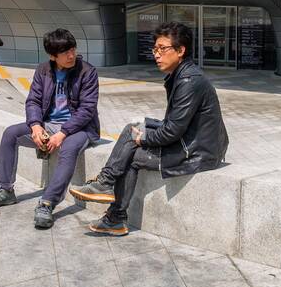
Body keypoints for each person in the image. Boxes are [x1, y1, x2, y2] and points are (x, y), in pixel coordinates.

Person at [70, 21, 228, 236]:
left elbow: (172, 132)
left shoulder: (190, 81)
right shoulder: (181, 75)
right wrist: (142, 133)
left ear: (181, 50)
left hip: (197, 152)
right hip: (191, 142)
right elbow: (175, 124)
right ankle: (105, 186)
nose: (157, 54)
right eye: (155, 49)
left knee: (133, 154)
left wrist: (143, 140)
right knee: (132, 128)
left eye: (163, 49)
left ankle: (113, 208)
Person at [0, 28, 99, 230]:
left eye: (73, 50)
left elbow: (87, 110)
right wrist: (35, 125)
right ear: (52, 56)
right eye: (65, 52)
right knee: (10, 134)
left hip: (80, 128)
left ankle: (47, 203)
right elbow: (33, 100)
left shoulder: (87, 71)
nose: (71, 55)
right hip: (47, 123)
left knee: (68, 148)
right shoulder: (43, 70)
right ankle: (5, 190)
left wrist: (62, 133)